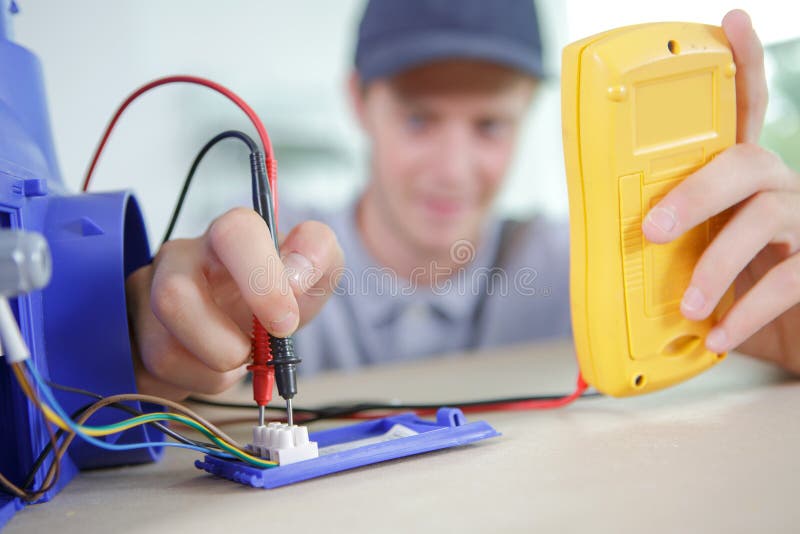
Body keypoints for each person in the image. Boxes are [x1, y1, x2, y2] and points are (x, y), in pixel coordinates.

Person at [125, 1, 800, 400]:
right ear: (360, 101)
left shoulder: (601, 265)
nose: (452, 170)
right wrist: (129, 353)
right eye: (420, 119)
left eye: (489, 126)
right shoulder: (263, 265)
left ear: (530, 114)